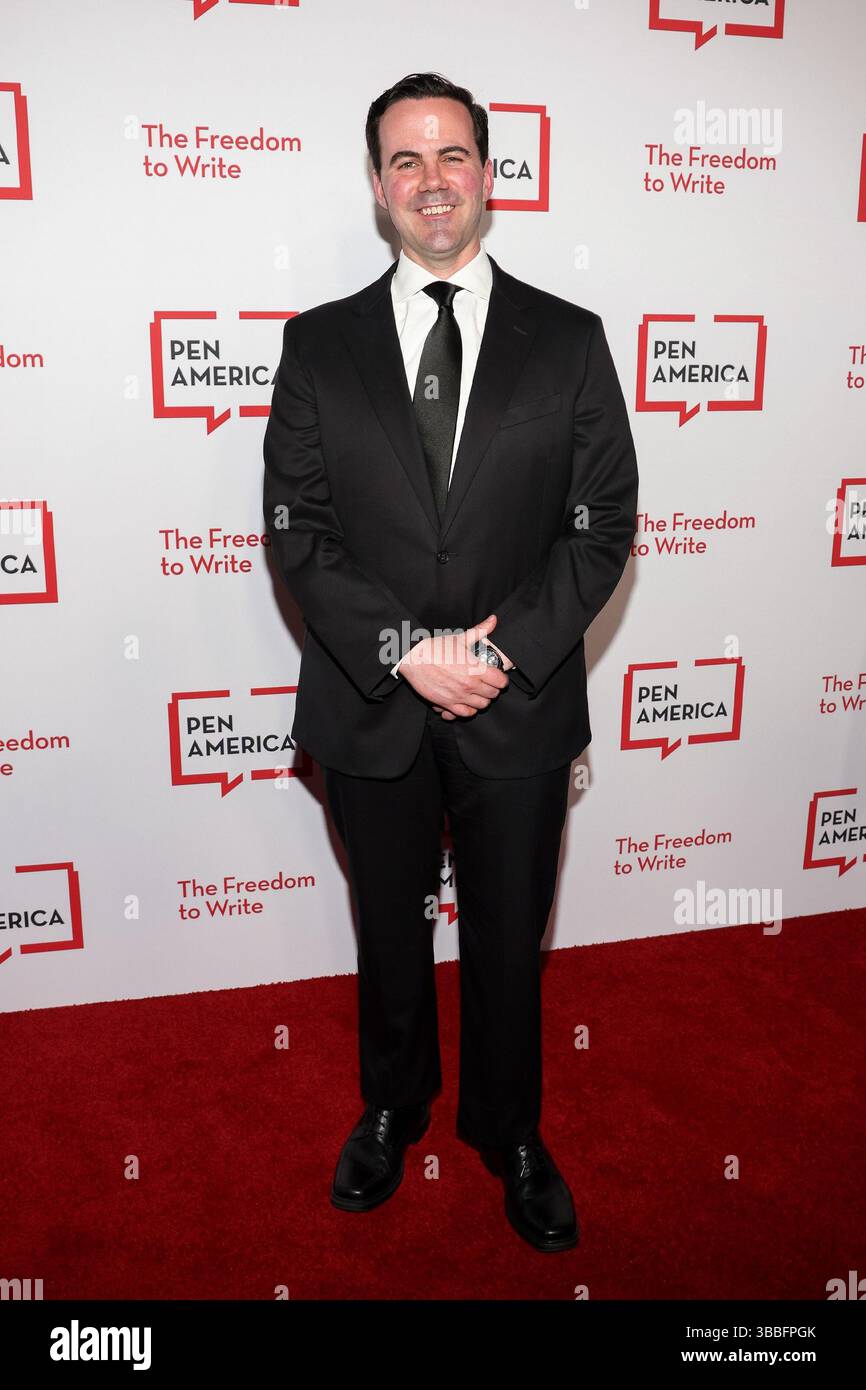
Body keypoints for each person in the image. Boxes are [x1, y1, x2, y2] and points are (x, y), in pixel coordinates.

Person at [262, 71, 639, 1253]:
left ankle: (510, 1129)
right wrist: (405, 653)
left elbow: (603, 523)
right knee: (386, 925)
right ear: (378, 186)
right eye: (406, 161)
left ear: (489, 173)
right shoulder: (315, 345)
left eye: (453, 156)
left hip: (515, 704)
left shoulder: (566, 340)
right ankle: (390, 1105)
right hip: (372, 704)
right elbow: (297, 530)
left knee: (508, 927)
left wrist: (504, 650)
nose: (432, 181)